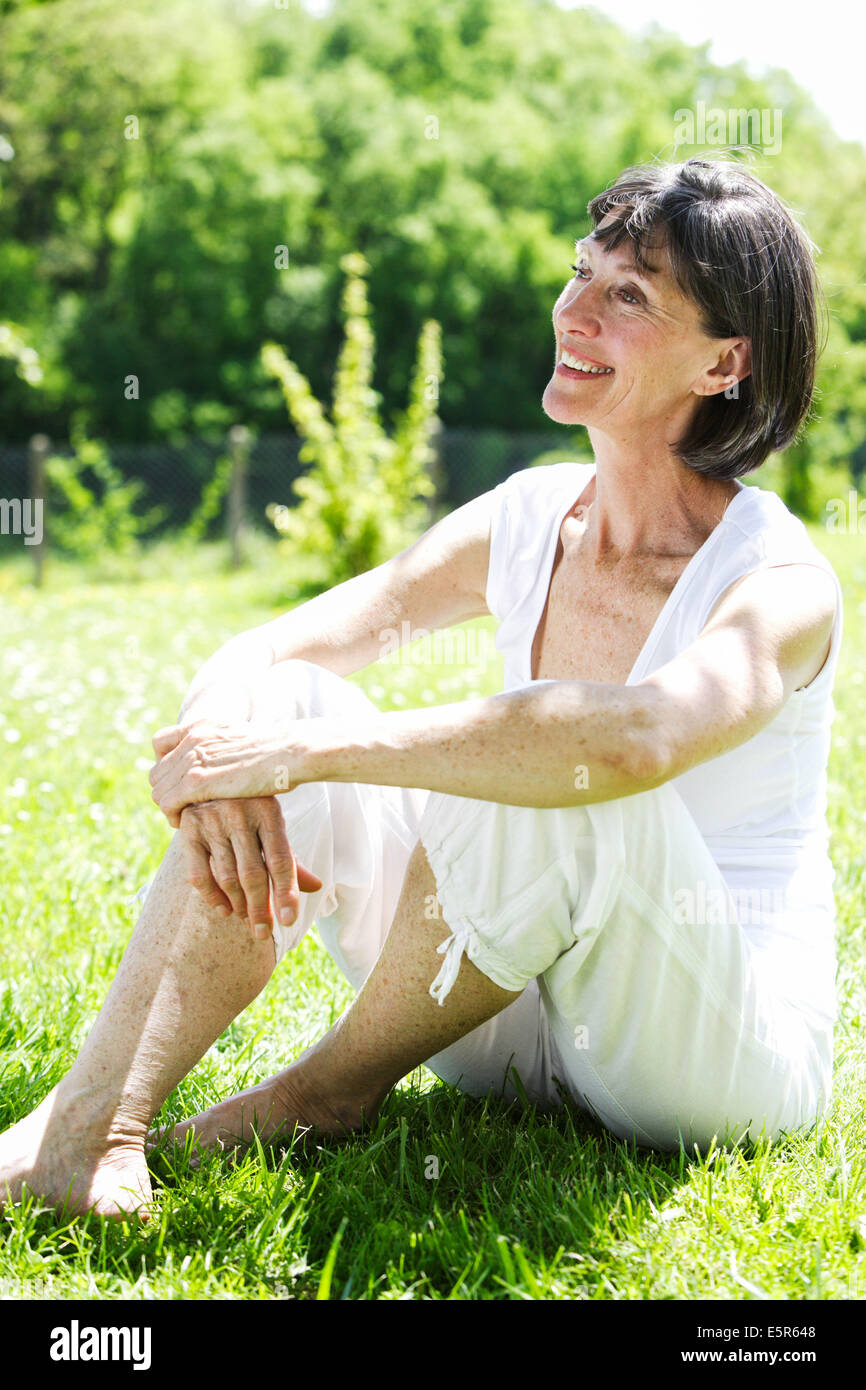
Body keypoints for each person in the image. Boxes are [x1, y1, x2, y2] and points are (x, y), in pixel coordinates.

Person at [0, 158, 843, 1219]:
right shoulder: (532, 513)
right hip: (495, 1014)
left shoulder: (776, 581)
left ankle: (321, 1092)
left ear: (725, 361)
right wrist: (223, 748)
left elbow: (632, 740)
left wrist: (312, 756)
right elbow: (277, 645)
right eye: (579, 271)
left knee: (562, 769)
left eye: (626, 295)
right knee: (285, 701)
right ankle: (87, 1123)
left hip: (703, 1057)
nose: (573, 310)